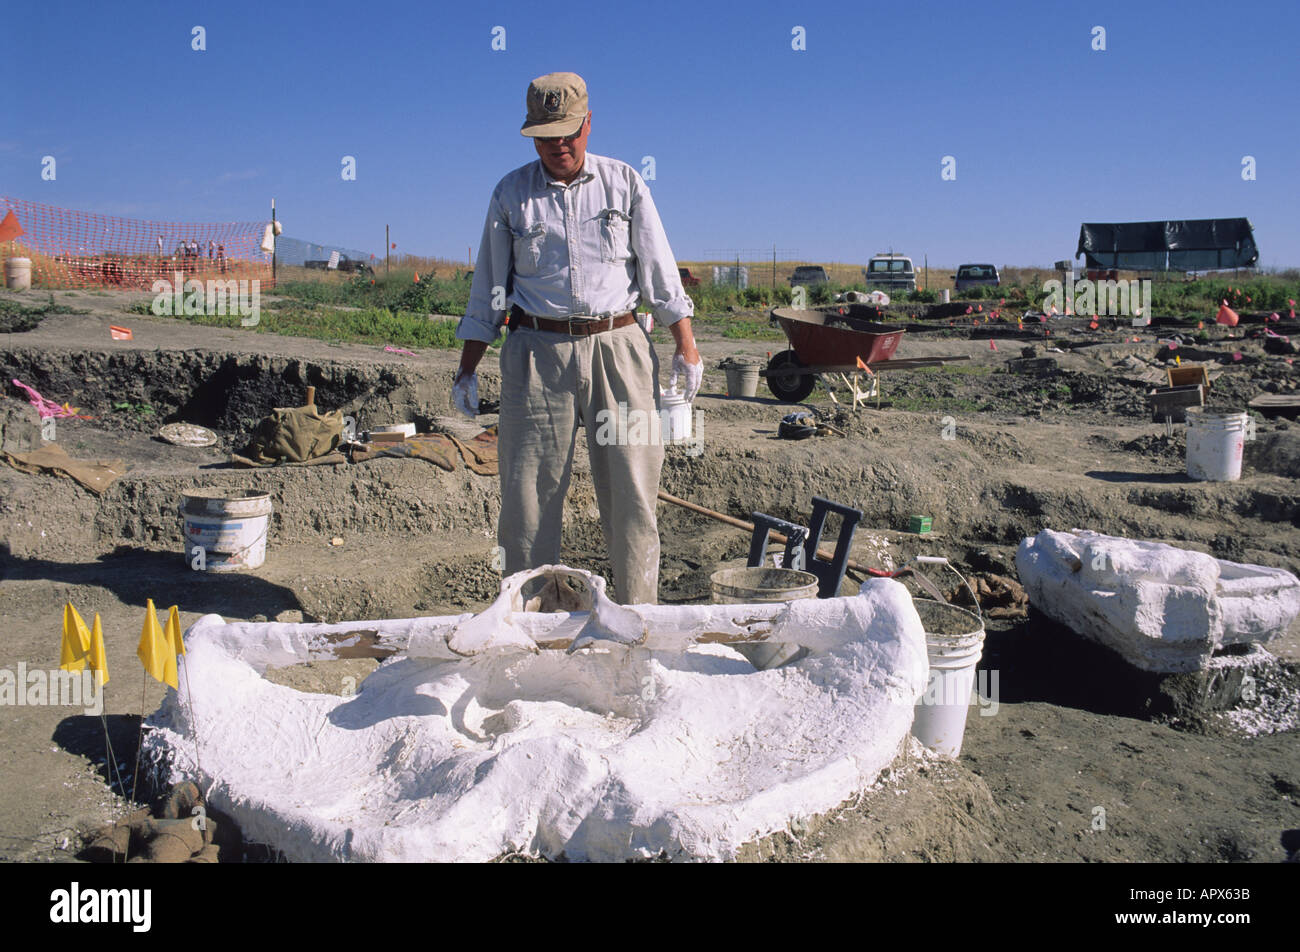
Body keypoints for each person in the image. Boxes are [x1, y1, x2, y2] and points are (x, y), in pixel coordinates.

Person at [453, 71, 701, 606]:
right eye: (546, 137)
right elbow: (489, 289)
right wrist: (468, 367)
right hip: (537, 355)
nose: (558, 146)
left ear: (588, 124)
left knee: (633, 491)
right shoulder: (511, 195)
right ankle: (532, 618)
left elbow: (660, 272)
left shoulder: (624, 183)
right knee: (528, 499)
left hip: (620, 349)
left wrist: (687, 346)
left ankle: (638, 619)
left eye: (568, 133)